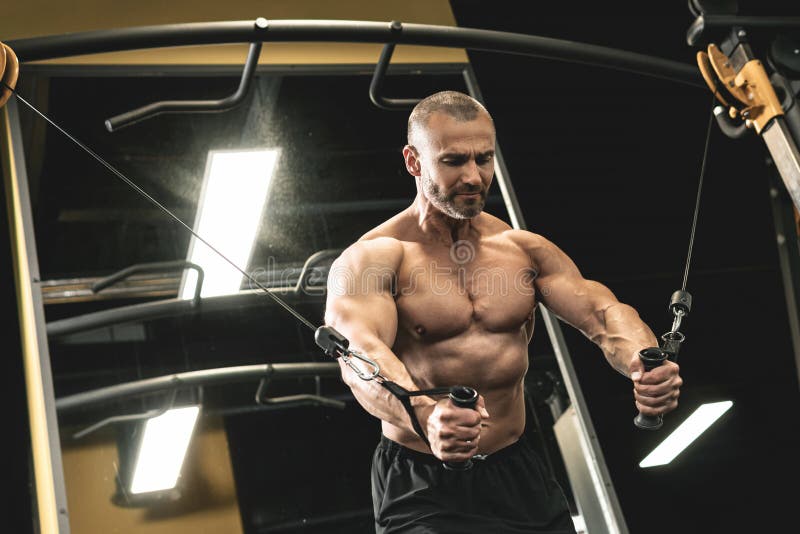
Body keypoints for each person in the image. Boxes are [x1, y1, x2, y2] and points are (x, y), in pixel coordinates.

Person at [323, 90, 682, 533]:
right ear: (414, 162)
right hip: (423, 482)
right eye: (454, 161)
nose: (474, 176)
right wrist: (424, 413)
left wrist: (642, 360)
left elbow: (603, 312)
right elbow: (357, 353)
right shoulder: (374, 257)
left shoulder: (522, 249)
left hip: (520, 470)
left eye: (484, 158)